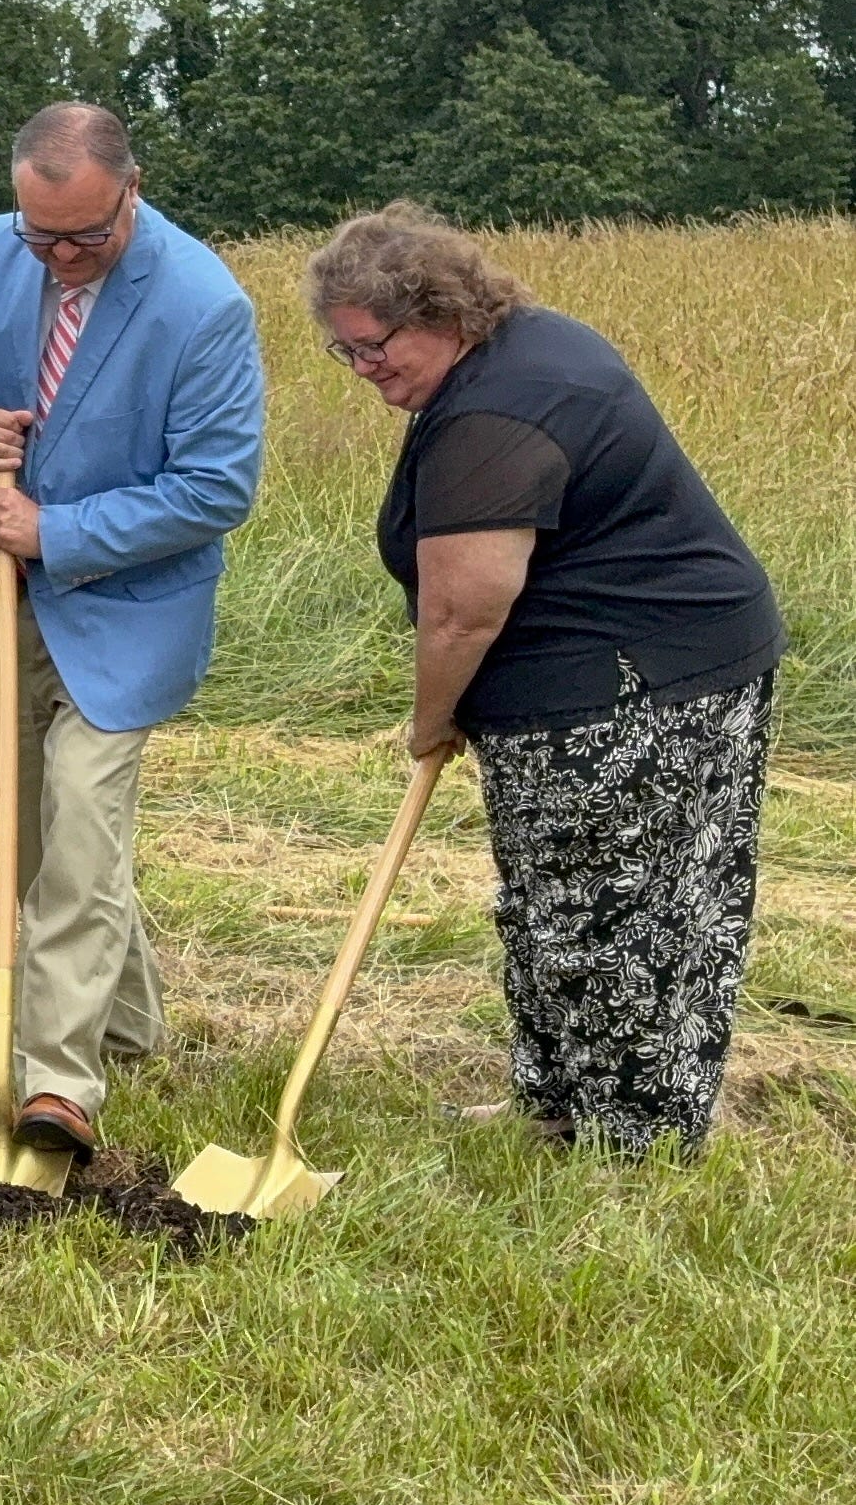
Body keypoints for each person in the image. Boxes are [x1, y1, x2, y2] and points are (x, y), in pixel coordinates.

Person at [307, 203, 780, 1154]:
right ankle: (557, 1103)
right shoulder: (518, 344)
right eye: (343, 354)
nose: (364, 371)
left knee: (611, 921)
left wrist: (429, 719)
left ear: (436, 310)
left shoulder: (496, 411)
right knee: (561, 902)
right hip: (678, 661)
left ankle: (626, 1141)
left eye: (373, 347)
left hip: (628, 691)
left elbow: (462, 610)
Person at [0, 101, 265, 1158]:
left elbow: (217, 486)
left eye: (87, 236)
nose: (63, 258)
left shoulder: (205, 303)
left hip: (127, 616)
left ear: (133, 188)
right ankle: (126, 1018)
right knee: (37, 837)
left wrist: (54, 528)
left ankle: (57, 1083)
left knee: (81, 824)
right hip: (0, 601)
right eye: (45, 237)